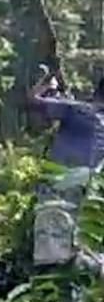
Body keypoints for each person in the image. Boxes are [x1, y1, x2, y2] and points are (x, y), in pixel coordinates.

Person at [27, 71, 104, 265]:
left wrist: (46, 79)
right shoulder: (78, 110)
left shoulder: (76, 109)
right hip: (90, 192)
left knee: (53, 250)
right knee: (85, 246)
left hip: (59, 188)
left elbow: (33, 100)